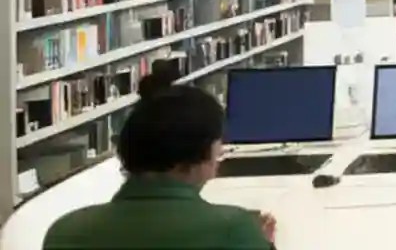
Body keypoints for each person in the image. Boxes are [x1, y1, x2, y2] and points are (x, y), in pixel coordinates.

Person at [43, 64, 276, 250]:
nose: (221, 152)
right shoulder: (234, 229)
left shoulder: (65, 233)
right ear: (199, 153)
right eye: (218, 143)